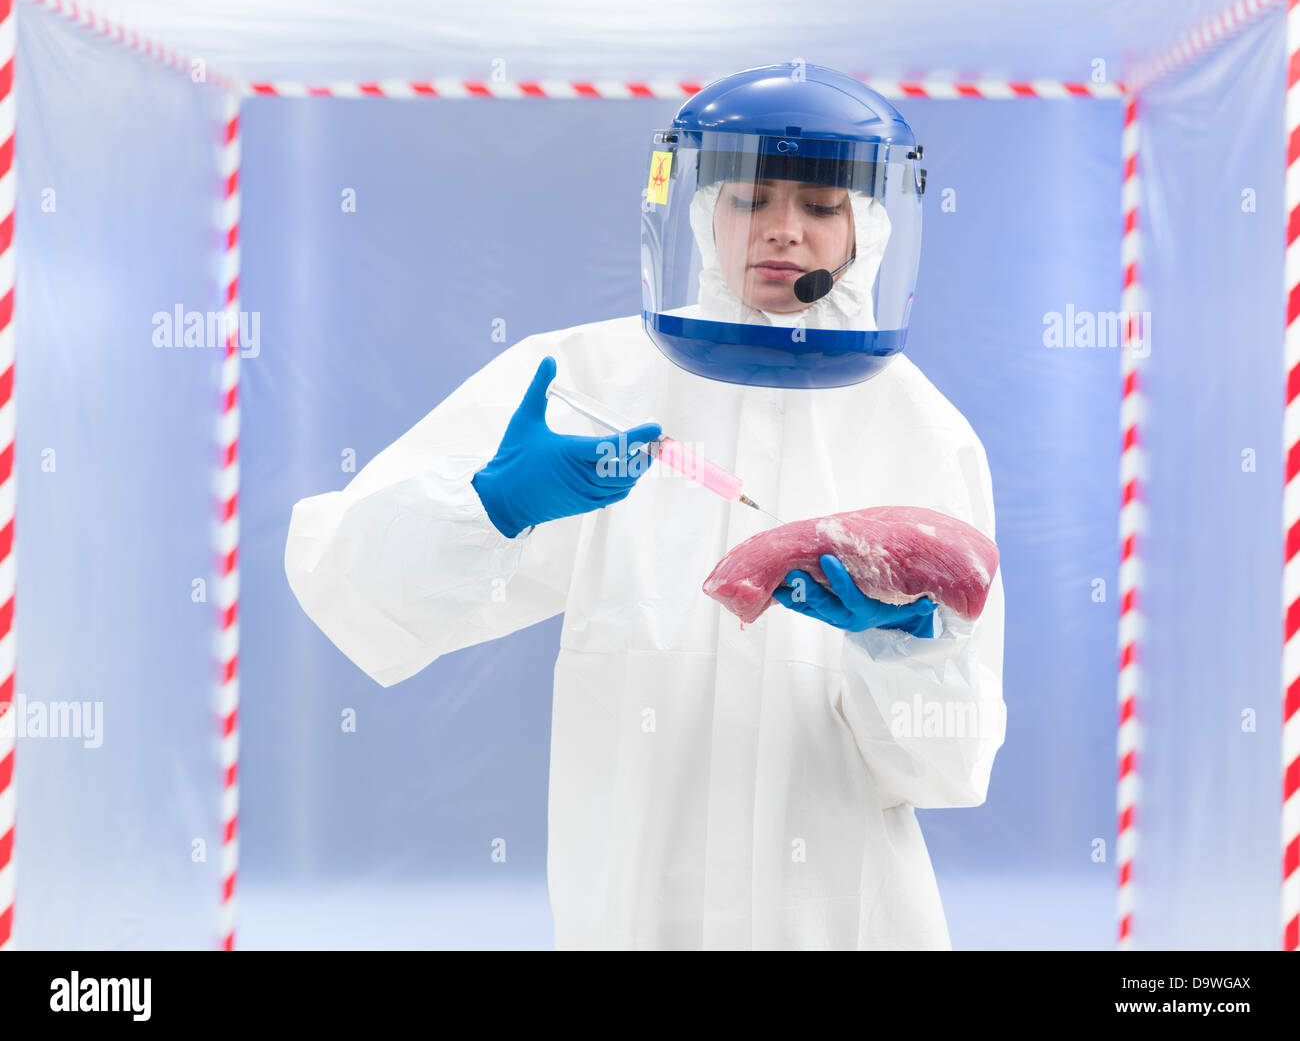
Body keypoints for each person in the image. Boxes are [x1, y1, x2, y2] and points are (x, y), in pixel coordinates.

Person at [285, 62, 1005, 951]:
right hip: (633, 916)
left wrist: (899, 651)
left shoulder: (921, 432)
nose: (784, 231)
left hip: (844, 921)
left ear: (871, 226)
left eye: (821, 205)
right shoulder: (588, 382)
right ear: (702, 210)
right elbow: (347, 581)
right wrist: (493, 505)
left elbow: (948, 764)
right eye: (750, 198)